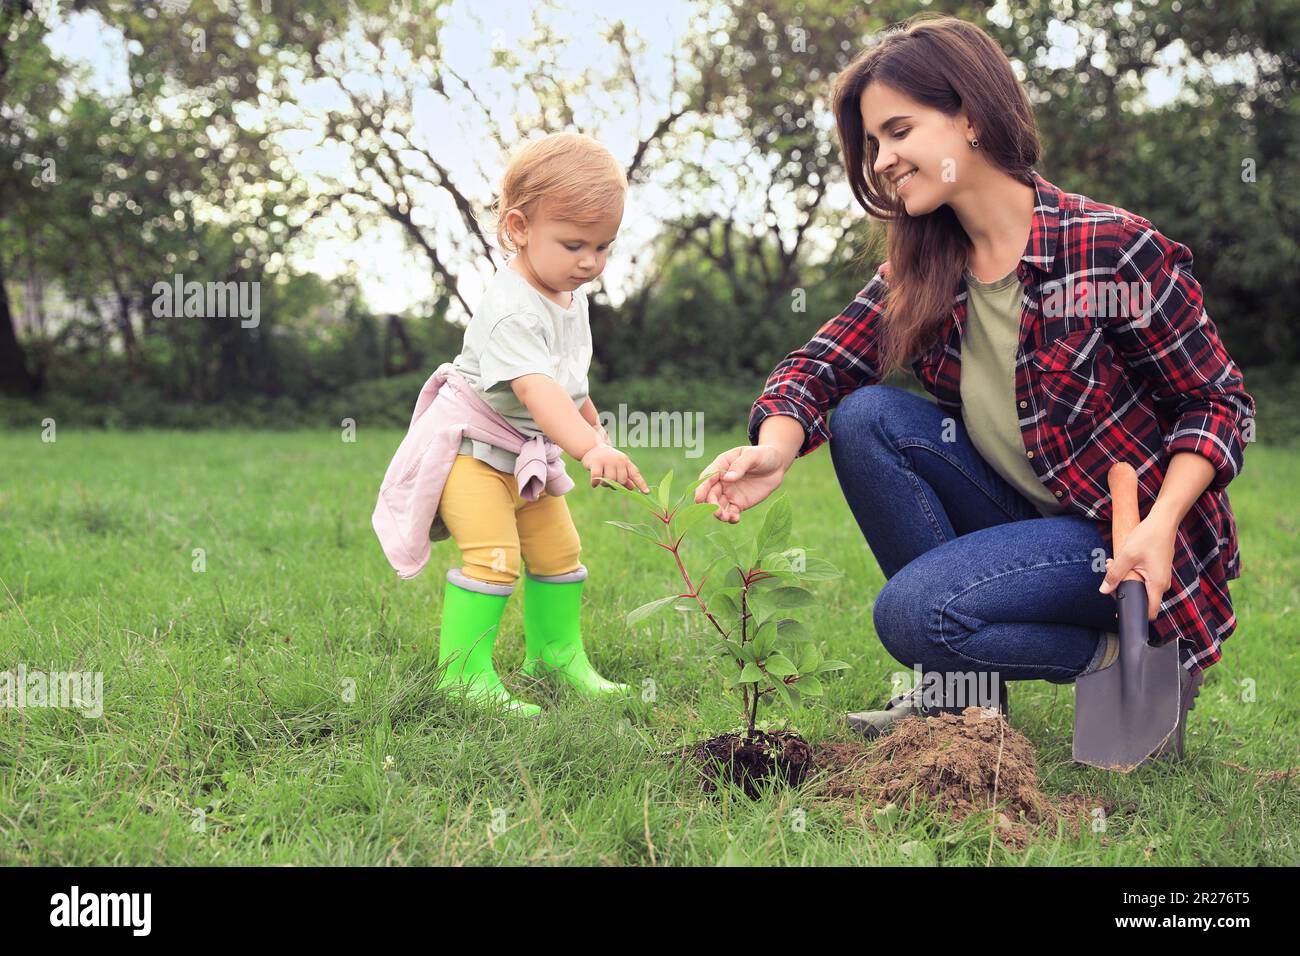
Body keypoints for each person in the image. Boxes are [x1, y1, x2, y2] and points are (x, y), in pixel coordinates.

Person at [694, 16, 1254, 749]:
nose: (884, 160)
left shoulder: (1110, 250)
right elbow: (818, 368)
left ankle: (1138, 656)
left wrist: (1160, 523)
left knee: (913, 616)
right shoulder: (926, 271)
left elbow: (1216, 403)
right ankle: (966, 708)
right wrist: (774, 444)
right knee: (866, 418)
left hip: (1127, 546)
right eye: (872, 145)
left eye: (899, 130)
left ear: (970, 116)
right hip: (1027, 520)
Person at [376, 132, 648, 719]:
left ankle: (554, 656)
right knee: (492, 557)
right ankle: (463, 677)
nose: (590, 262)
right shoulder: (510, 307)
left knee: (559, 551)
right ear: (519, 228)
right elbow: (535, 388)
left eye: (604, 246)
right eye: (574, 244)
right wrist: (582, 448)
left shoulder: (566, 299)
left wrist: (597, 438)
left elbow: (570, 384)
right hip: (474, 455)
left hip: (526, 452)